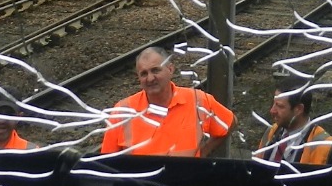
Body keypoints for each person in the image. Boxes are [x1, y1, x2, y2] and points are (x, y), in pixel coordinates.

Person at [99, 46, 235, 158]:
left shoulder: (198, 100)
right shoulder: (122, 111)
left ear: (170, 69)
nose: (150, 78)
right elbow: (107, 160)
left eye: (155, 70)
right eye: (144, 74)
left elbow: (229, 123)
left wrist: (202, 154)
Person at [256, 87, 332, 166]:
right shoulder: (271, 131)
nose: (272, 110)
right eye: (273, 104)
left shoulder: (323, 146)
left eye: (280, 106)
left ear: (298, 109)